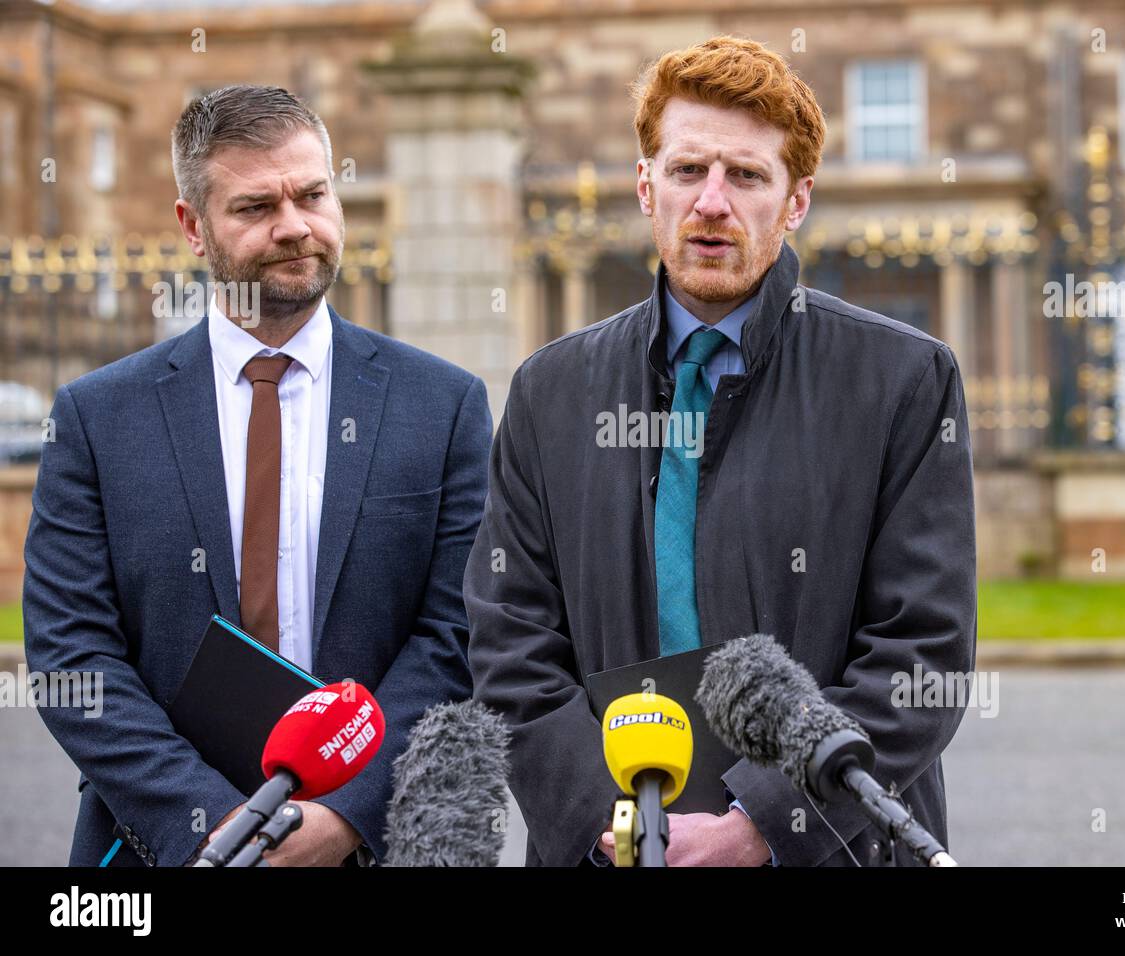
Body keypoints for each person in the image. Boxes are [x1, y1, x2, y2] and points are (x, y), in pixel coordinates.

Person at [465, 35, 977, 866]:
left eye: (745, 175)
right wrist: (620, 830)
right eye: (686, 170)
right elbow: (508, 639)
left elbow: (923, 656)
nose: (711, 202)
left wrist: (765, 825)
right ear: (645, 186)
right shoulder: (548, 391)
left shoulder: (904, 381)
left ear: (796, 199)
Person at [23, 85, 491, 867]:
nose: (294, 227)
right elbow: (71, 651)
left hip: (377, 839)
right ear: (192, 227)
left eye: (313, 194)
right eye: (254, 207)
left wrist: (344, 813)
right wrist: (213, 823)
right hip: (162, 846)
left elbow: (458, 634)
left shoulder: (442, 404)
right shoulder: (98, 418)